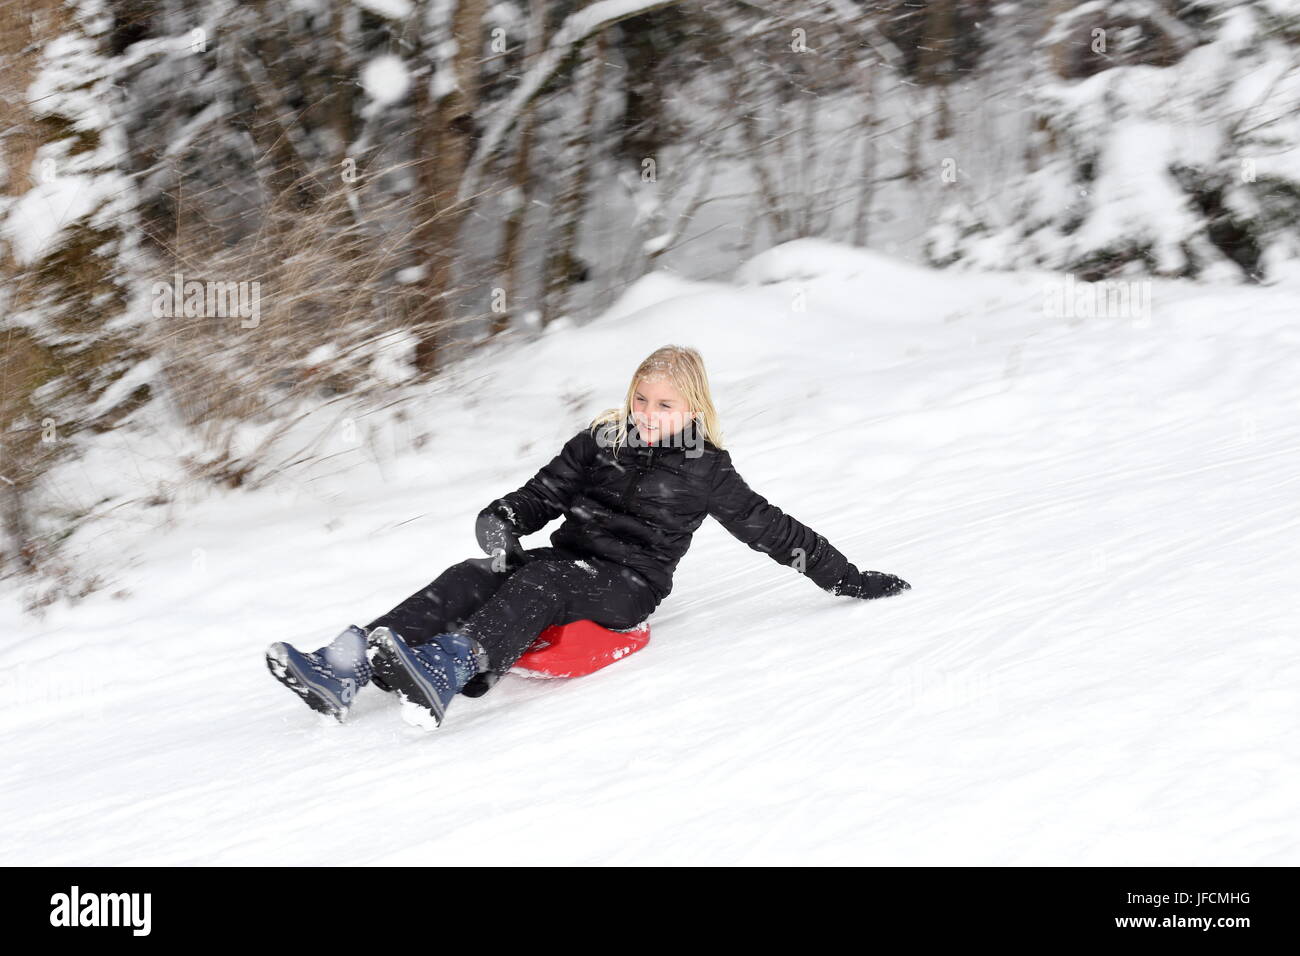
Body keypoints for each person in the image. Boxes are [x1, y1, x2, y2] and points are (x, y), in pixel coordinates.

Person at [265, 345, 911, 731]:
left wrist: (847, 578)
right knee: (471, 574)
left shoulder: (707, 471)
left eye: (664, 405)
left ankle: (449, 668)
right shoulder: (600, 441)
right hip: (567, 559)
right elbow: (540, 496)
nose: (647, 414)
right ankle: (342, 668)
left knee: (546, 577)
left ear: (693, 409)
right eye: (641, 399)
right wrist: (502, 521)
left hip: (629, 587)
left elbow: (774, 530)